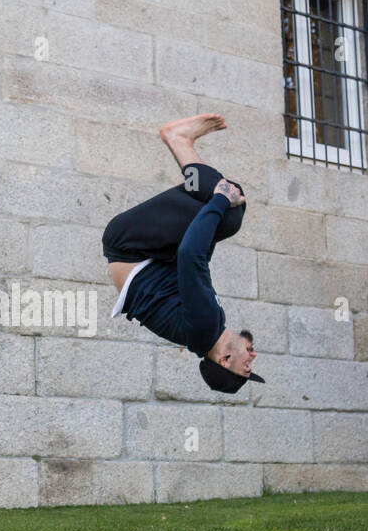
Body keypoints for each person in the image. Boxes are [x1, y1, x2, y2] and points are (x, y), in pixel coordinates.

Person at [102, 113, 264, 393]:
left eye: (246, 365)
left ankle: (178, 139)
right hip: (145, 251)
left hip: (131, 246)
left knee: (227, 211)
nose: (253, 356)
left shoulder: (206, 325)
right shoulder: (204, 332)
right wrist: (214, 211)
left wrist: (221, 199)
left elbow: (191, 255)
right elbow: (193, 261)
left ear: (225, 360)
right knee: (213, 207)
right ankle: (182, 144)